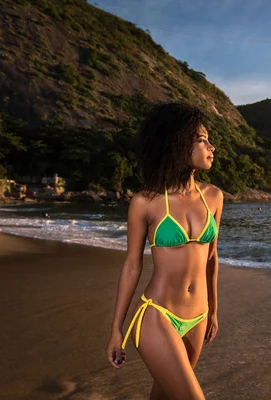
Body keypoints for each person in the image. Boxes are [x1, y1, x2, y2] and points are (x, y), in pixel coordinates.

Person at [106, 102, 223, 400]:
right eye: (202, 139)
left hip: (198, 316)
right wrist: (116, 329)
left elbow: (211, 258)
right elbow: (132, 266)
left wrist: (213, 311)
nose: (211, 147)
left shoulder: (213, 197)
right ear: (179, 145)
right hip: (159, 315)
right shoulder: (146, 202)